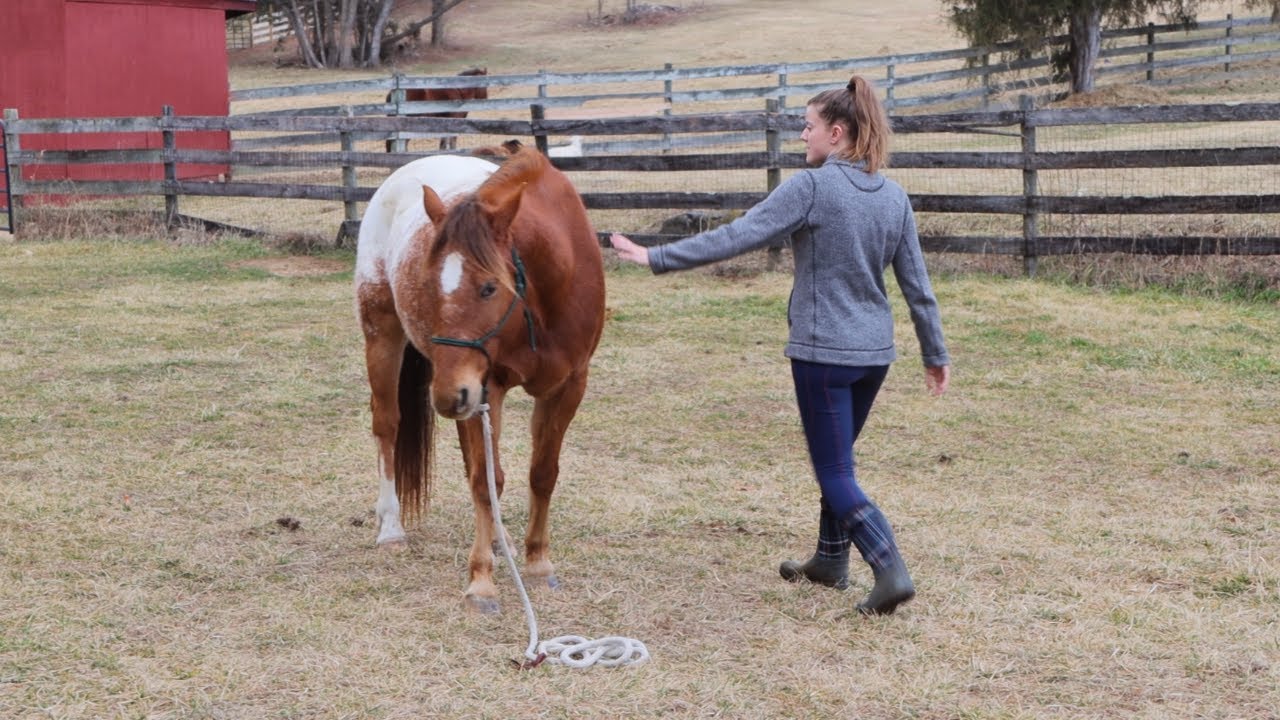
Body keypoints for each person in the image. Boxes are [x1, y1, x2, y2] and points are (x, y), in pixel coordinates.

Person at [611, 74, 950, 616]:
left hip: (823, 354)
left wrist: (657, 257)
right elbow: (919, 289)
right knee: (836, 459)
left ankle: (889, 569)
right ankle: (830, 561)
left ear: (836, 133)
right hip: (873, 358)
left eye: (808, 126)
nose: (802, 136)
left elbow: (739, 234)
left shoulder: (811, 186)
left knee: (835, 471)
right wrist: (935, 355)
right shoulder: (894, 196)